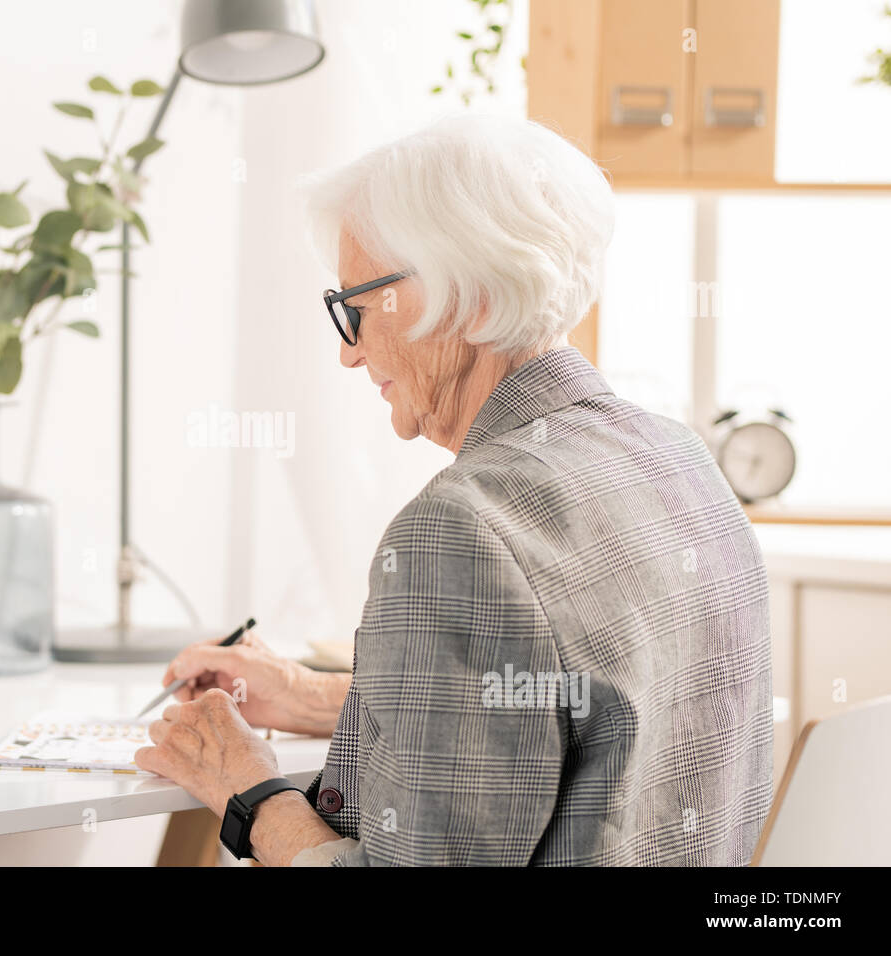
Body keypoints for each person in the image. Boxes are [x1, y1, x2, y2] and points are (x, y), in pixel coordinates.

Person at [134, 114, 773, 866]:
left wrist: (245, 786)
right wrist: (312, 697)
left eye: (357, 309)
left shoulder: (460, 531)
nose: (348, 353)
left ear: (464, 297)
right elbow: (577, 714)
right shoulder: (679, 459)